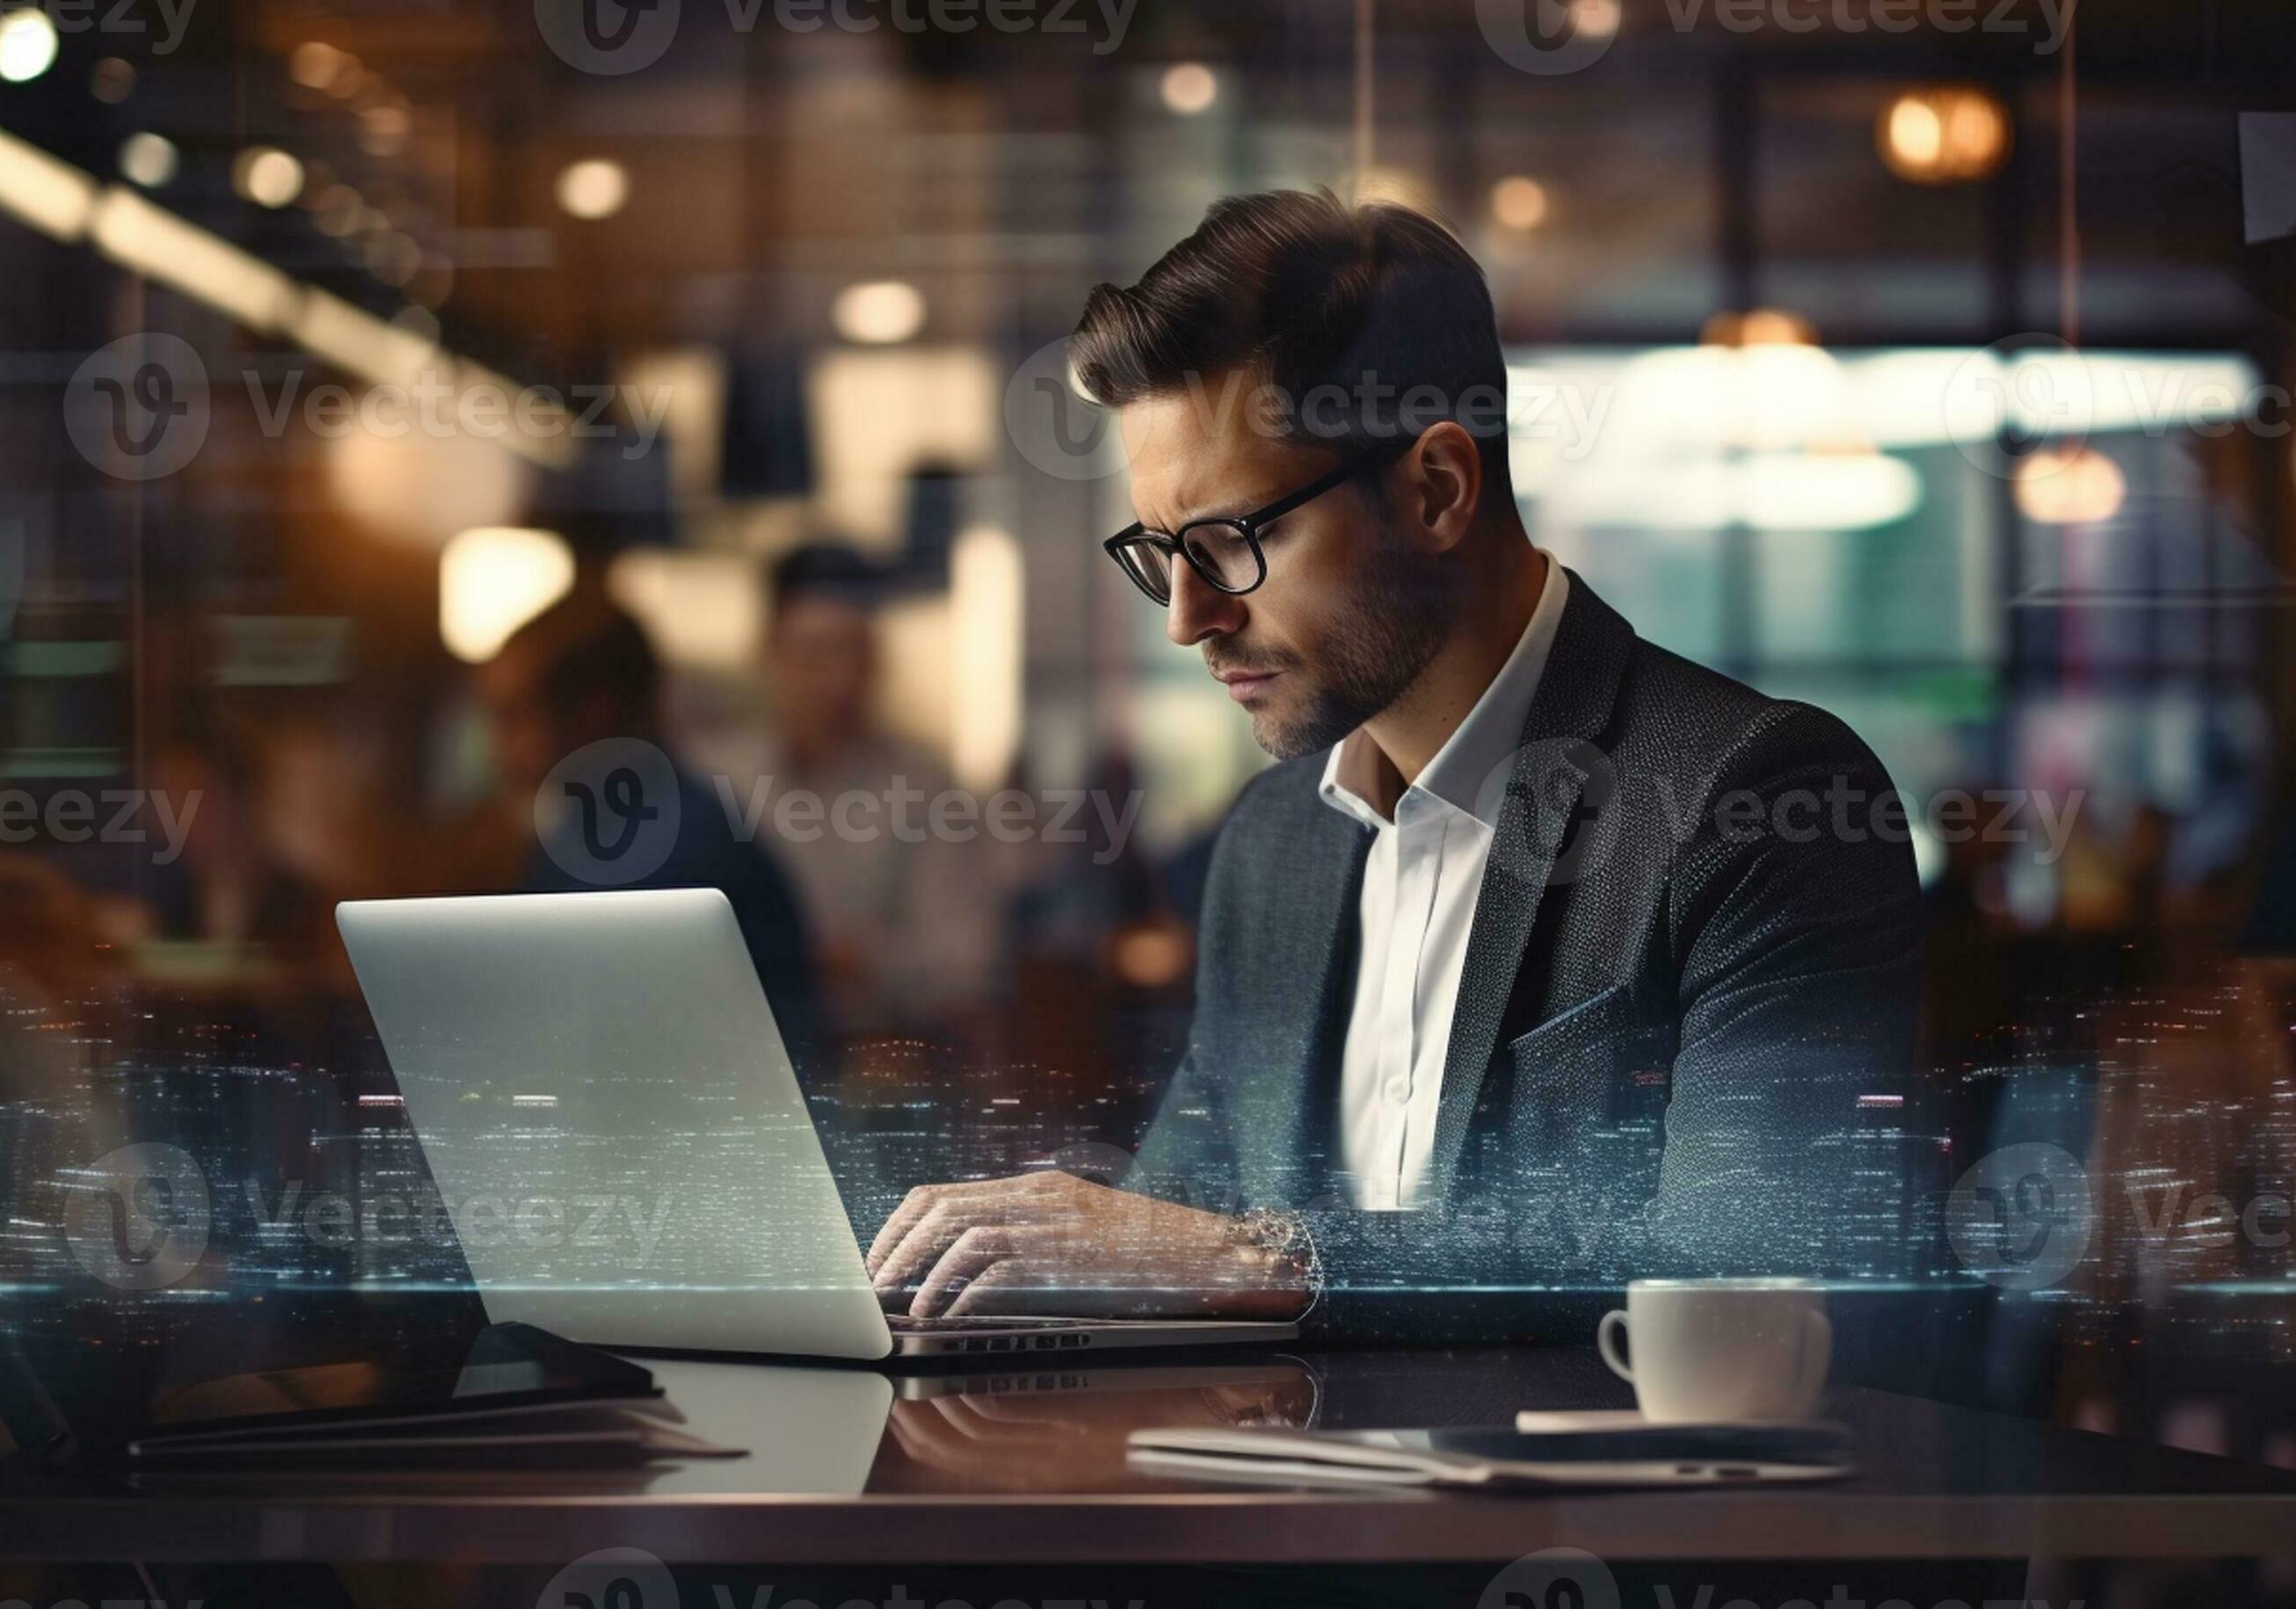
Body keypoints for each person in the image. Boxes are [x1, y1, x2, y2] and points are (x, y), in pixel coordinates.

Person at [867, 189, 1923, 1331]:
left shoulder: (1753, 798)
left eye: (1228, 542)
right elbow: (1172, 1241)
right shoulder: (1272, 841)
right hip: (1276, 1495)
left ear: (1436, 490)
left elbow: (1744, 1272)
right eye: (1160, 552)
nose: (1185, 617)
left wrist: (1275, 1259)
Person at [480, 589, 822, 1062]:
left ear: (596, 710)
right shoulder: (604, 830)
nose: (497, 751)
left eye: (512, 717)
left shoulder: (666, 850)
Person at [695, 543, 1003, 1040]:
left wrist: (859, 962)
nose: (837, 681)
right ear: (768, 650)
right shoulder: (715, 778)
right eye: (814, 654)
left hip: (880, 1063)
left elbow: (965, 962)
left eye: (852, 652)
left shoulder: (925, 787)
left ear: (877, 658)